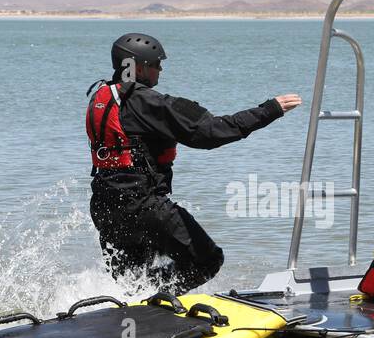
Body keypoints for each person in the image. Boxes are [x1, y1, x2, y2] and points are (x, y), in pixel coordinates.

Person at [86, 32, 302, 292]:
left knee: (131, 281)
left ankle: (140, 311)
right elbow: (211, 132)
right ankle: (156, 302)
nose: (161, 69)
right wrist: (269, 110)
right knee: (208, 260)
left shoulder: (101, 98)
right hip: (144, 206)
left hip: (106, 207)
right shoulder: (148, 102)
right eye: (156, 64)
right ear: (138, 67)